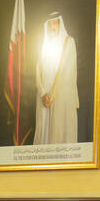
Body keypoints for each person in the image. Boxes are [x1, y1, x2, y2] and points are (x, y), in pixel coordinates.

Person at [32, 12, 78, 145]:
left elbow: (69, 73)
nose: (52, 27)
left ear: (60, 24)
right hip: (44, 98)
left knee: (60, 134)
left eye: (55, 23)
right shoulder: (43, 45)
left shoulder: (69, 43)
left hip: (61, 98)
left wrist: (53, 95)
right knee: (44, 134)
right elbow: (38, 71)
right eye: (50, 23)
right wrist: (43, 93)